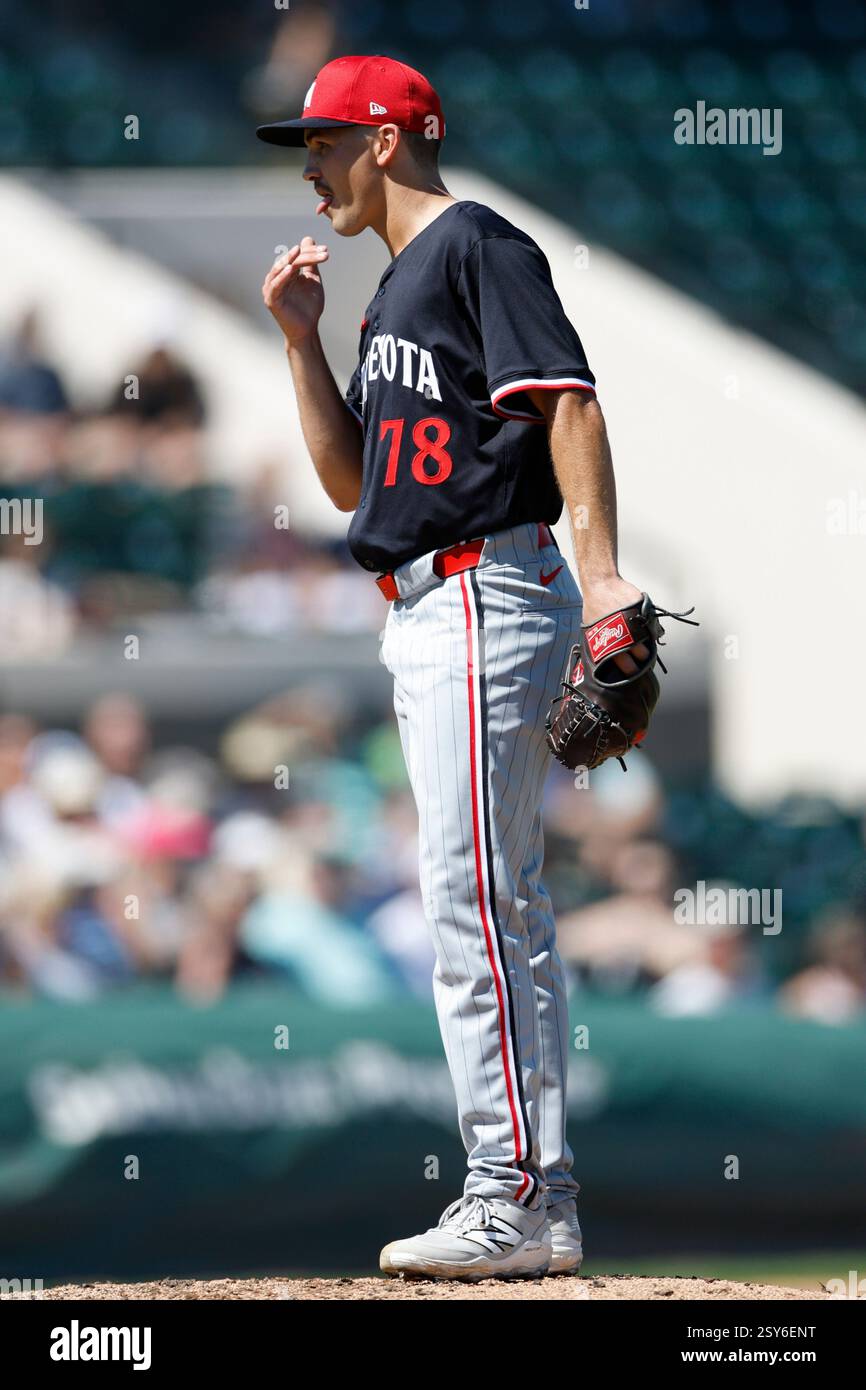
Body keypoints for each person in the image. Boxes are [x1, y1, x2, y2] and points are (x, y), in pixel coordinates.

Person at [257, 53, 649, 1282]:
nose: (306, 164)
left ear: (384, 139)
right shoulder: (384, 298)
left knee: (477, 901)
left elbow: (569, 407)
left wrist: (600, 582)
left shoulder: (477, 243)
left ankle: (517, 1192)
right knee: (476, 899)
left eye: (321, 141)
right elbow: (345, 484)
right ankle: (519, 1190)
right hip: (423, 603)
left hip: (486, 589)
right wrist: (301, 344)